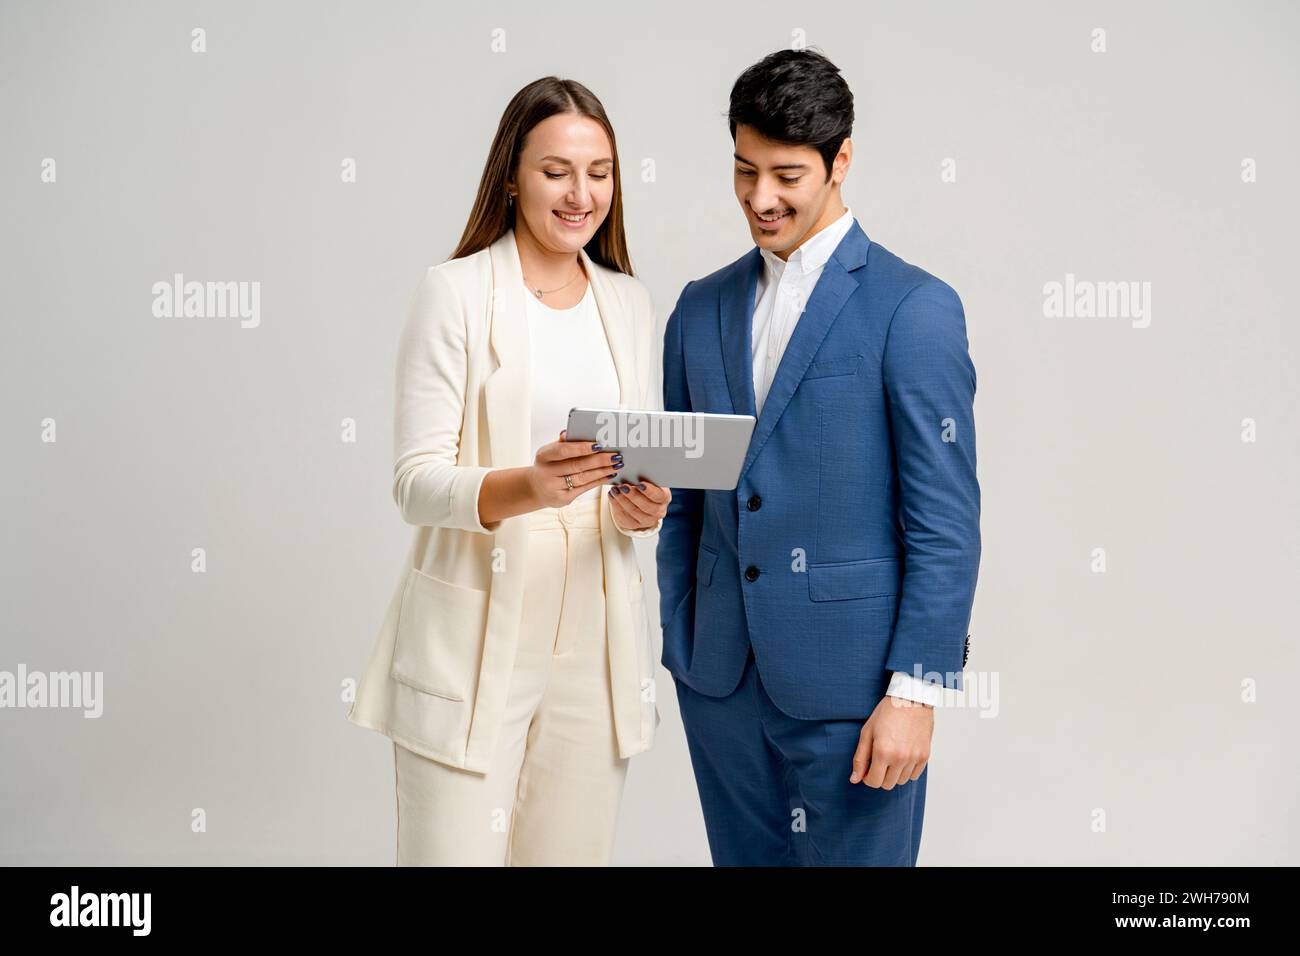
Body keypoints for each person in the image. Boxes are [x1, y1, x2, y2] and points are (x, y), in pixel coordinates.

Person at [656, 49, 981, 866]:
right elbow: (687, 503)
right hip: (721, 684)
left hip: (857, 694)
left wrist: (916, 690)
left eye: (786, 175)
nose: (760, 199)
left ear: (841, 161)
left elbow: (945, 522)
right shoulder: (698, 309)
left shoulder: (915, 308)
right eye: (744, 170)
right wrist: (680, 642)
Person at [347, 76, 670, 866]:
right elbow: (414, 482)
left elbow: (637, 460)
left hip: (596, 637)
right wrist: (527, 485)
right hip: (477, 622)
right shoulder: (454, 292)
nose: (580, 193)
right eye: (556, 170)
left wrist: (643, 505)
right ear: (511, 176)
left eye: (599, 172)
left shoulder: (628, 302)